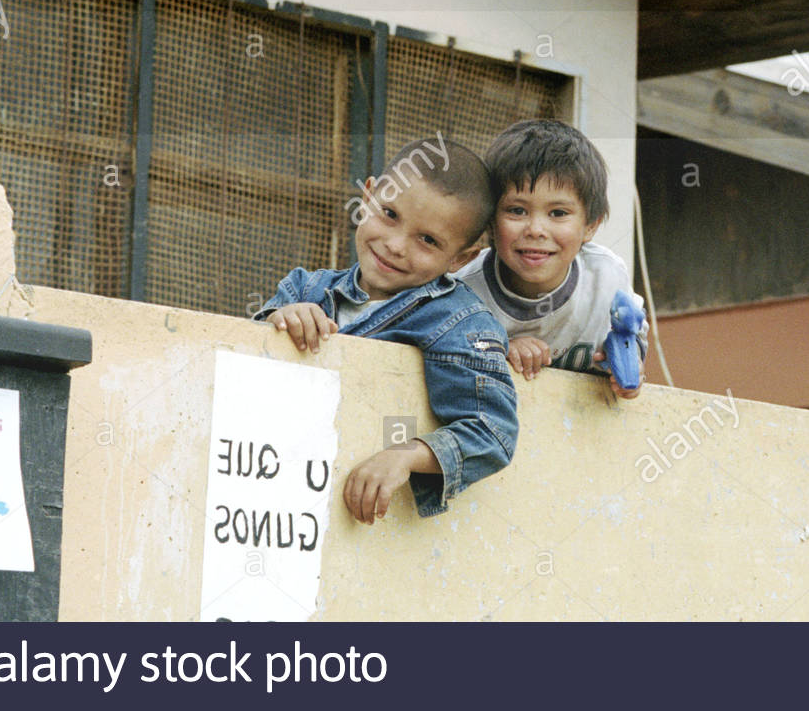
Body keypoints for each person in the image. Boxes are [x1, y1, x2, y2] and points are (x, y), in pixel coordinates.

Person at [255, 137, 517, 523]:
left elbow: (493, 432)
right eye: (389, 214)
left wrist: (406, 454)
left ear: (460, 258)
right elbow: (233, 370)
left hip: (369, 528)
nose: (395, 245)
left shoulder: (460, 323)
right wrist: (279, 321)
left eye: (428, 240)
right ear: (368, 197)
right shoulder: (303, 289)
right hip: (275, 501)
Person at [457, 120, 646, 399]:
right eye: (517, 210)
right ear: (490, 221)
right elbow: (436, 348)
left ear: (591, 225)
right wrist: (497, 346)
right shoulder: (464, 290)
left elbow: (634, 335)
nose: (535, 229)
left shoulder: (606, 278)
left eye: (558, 213)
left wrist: (629, 368)